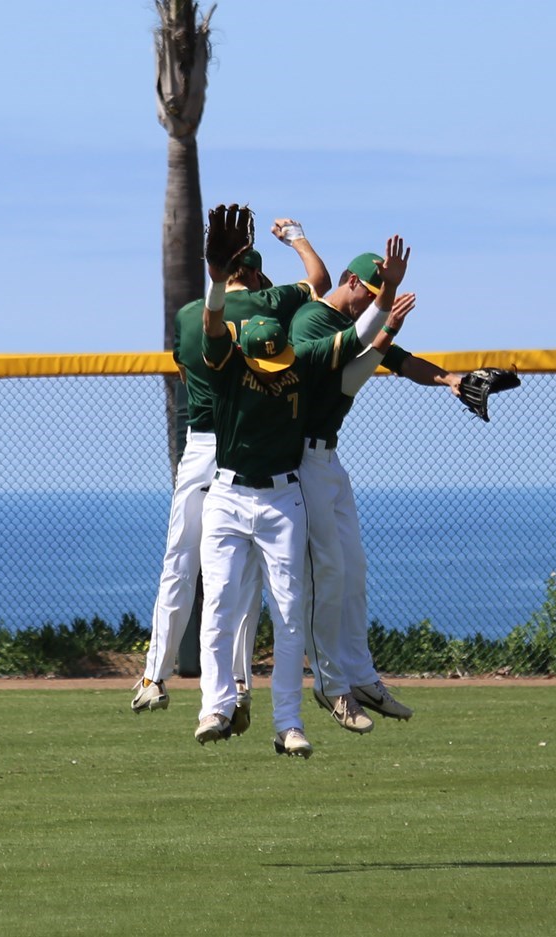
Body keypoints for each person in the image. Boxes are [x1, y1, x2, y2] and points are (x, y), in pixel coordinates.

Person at [194, 206, 405, 758]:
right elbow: (213, 327)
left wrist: (385, 307)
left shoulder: (299, 357)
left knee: (290, 613)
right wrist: (216, 281)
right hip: (229, 494)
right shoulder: (230, 367)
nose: (272, 369)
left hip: (283, 495)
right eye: (264, 362)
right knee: (219, 603)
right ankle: (216, 706)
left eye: (277, 361)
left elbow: (354, 337)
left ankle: (288, 723)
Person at [131, 217, 330, 738]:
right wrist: (296, 237)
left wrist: (215, 277)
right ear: (257, 275)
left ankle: (155, 674)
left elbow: (184, 364)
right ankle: (239, 688)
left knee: (184, 563)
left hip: (200, 444)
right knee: (247, 585)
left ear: (219, 270)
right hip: (252, 450)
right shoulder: (272, 306)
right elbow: (320, 280)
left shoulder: (191, 313)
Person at [290, 247, 462, 733]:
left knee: (353, 572)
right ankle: (330, 685)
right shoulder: (310, 320)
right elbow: (348, 373)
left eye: (380, 293)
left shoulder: (367, 323)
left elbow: (397, 359)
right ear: (349, 279)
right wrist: (386, 320)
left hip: (329, 461)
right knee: (325, 575)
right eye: (371, 289)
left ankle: (361, 676)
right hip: (299, 461)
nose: (374, 300)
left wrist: (451, 378)